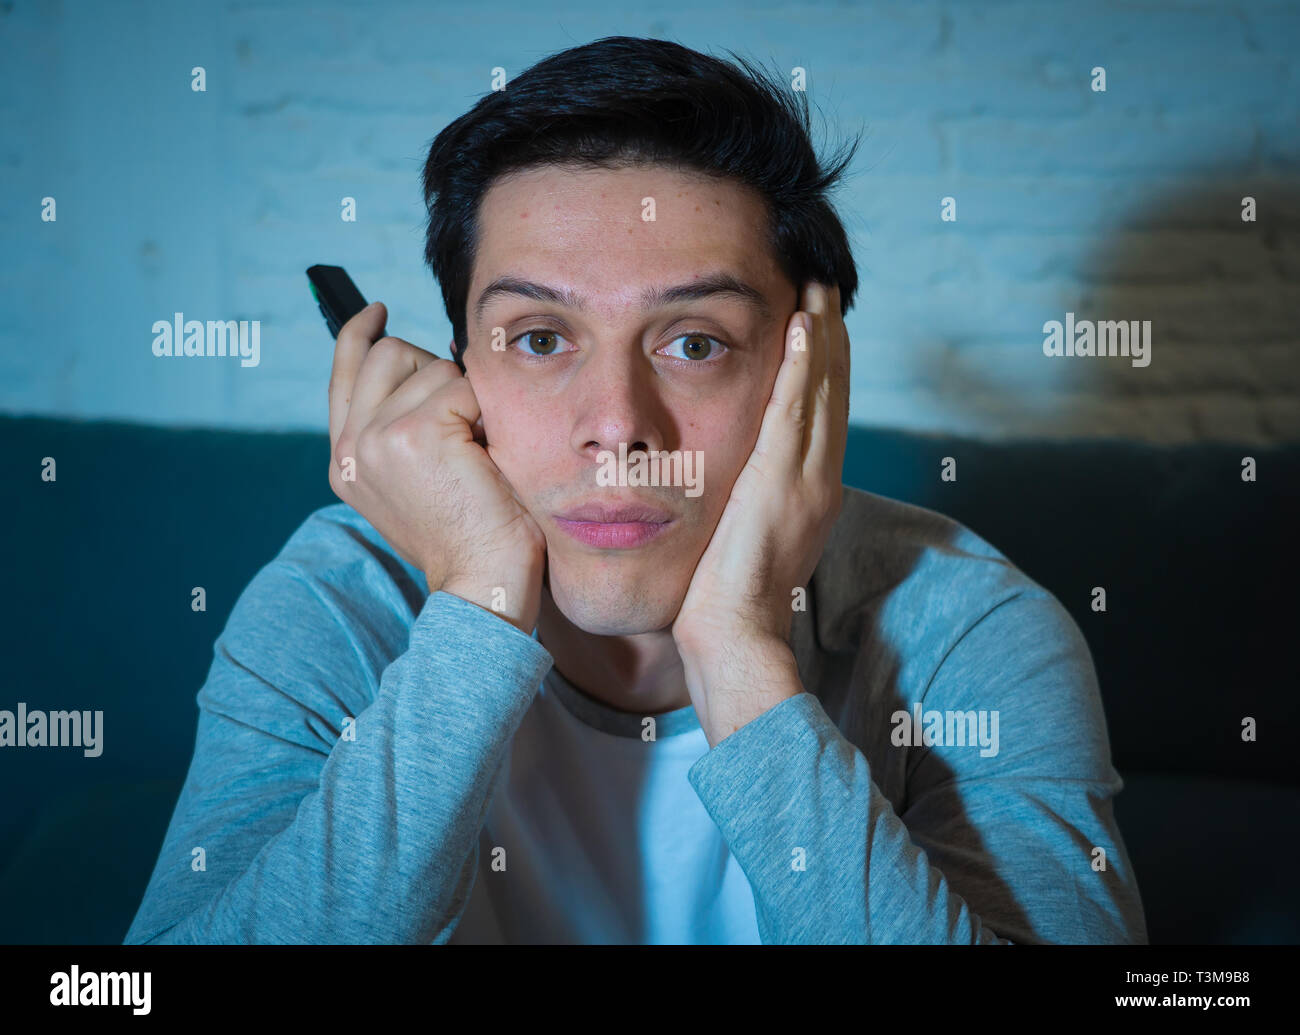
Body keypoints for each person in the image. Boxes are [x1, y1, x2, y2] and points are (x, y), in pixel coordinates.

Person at [124, 36, 1147, 945]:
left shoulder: (971, 628)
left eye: (694, 343)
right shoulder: (339, 602)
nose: (614, 423)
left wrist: (744, 661)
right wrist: (475, 604)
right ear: (453, 379)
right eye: (537, 339)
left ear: (806, 378)